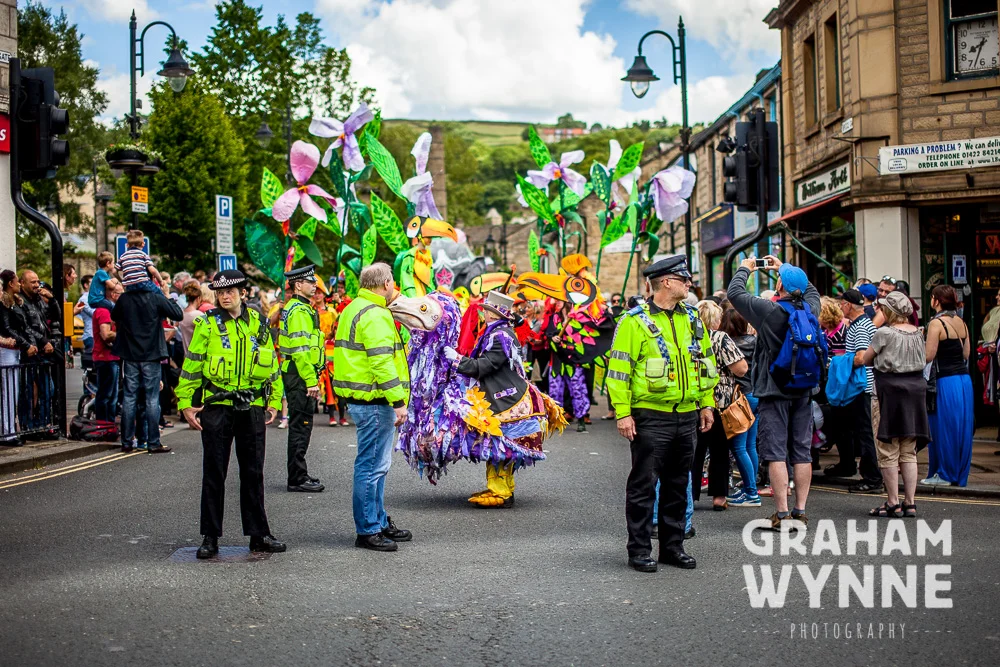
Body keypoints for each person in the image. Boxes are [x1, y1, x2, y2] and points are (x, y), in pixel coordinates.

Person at [606, 254, 718, 573]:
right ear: (666, 282)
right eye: (684, 279)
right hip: (650, 415)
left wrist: (706, 402)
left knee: (678, 484)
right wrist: (623, 413)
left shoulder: (692, 318)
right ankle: (639, 549)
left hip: (686, 414)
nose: (689, 283)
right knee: (644, 486)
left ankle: (672, 547)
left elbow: (705, 362)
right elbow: (619, 370)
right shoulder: (634, 321)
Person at [176, 270, 287, 559]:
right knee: (214, 473)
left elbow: (271, 366)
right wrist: (186, 402)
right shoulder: (207, 324)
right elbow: (192, 364)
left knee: (253, 473)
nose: (225, 296)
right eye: (220, 292)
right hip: (217, 406)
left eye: (231, 291)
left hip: (251, 407)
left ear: (243, 293)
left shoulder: (259, 323)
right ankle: (210, 537)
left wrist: (274, 400)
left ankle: (258, 535)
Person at [442, 291, 563, 507]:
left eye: (487, 311)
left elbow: (484, 367)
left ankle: (502, 492)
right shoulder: (497, 332)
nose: (485, 314)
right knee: (498, 445)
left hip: (507, 399)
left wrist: (456, 360)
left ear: (494, 315)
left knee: (502, 445)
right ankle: (500, 488)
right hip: (503, 395)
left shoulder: (499, 336)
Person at [727, 256, 821, 530]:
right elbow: (811, 290)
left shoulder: (769, 310)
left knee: (776, 453)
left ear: (778, 285)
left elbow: (735, 293)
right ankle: (800, 511)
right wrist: (785, 268)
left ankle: (781, 515)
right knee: (802, 452)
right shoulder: (811, 307)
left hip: (773, 389)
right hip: (804, 389)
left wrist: (747, 267)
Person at [333, 263, 412, 553]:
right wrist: (398, 402)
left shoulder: (355, 307)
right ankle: (368, 528)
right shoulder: (375, 314)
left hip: (363, 398)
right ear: (386, 283)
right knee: (371, 467)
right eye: (393, 282)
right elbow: (382, 362)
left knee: (376, 466)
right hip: (374, 400)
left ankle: (377, 521)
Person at [861, 291, 928, 517]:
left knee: (887, 449)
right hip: (915, 393)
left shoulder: (884, 333)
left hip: (887, 392)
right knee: (908, 451)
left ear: (890, 311)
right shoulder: (919, 333)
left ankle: (892, 501)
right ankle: (910, 502)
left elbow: (866, 359)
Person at [111, 269, 184, 454]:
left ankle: (127, 442)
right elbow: (177, 314)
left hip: (130, 354)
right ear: (149, 279)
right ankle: (153, 442)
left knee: (129, 397)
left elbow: (114, 317)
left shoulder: (124, 299)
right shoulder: (155, 297)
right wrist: (167, 295)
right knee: (152, 398)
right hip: (151, 354)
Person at [691, 300, 748, 511]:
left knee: (694, 452)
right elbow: (741, 368)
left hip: (692, 400)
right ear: (716, 319)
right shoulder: (720, 338)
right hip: (719, 402)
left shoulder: (688, 338)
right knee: (719, 451)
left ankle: (690, 493)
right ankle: (719, 497)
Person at [279, 265, 325, 493]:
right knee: (301, 426)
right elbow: (300, 350)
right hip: (299, 374)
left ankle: (299, 473)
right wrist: (311, 380)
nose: (315, 285)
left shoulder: (300, 308)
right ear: (298, 285)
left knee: (302, 424)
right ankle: (296, 478)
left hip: (298, 372)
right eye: (310, 281)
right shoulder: (298, 311)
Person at [924, 285, 973, 486]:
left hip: (946, 382)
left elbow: (928, 356)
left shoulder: (936, 324)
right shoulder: (961, 321)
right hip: (963, 382)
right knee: (961, 428)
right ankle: (955, 473)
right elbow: (966, 354)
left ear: (936, 300)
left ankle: (944, 474)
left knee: (943, 428)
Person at [836, 289, 882, 491]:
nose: (839, 307)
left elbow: (861, 357)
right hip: (863, 386)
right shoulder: (861, 323)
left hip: (863, 387)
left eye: (841, 304)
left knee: (865, 433)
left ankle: (872, 478)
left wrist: (838, 361)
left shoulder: (860, 327)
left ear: (847, 305)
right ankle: (870, 475)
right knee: (863, 432)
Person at [721, 307, 761, 506]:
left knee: (739, 447)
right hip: (757, 394)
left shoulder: (727, 345)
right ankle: (749, 488)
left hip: (740, 398)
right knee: (750, 446)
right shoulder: (755, 342)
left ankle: (751, 492)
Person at [0, 271, 29, 443]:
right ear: (11, 283)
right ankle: (8, 432)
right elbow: (6, 328)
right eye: (17, 281)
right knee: (9, 391)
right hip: (7, 350)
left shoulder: (15, 303)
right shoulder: (4, 304)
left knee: (10, 391)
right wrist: (24, 343)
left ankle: (8, 430)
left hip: (13, 349)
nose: (19, 284)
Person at [92, 280, 123, 424]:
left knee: (112, 396)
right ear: (113, 294)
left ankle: (109, 425)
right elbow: (106, 335)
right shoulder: (104, 311)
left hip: (112, 357)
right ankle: (103, 425)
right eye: (121, 293)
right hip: (105, 358)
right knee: (106, 395)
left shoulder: (111, 310)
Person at [74, 275, 95, 357]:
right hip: (90, 336)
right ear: (86, 285)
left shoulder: (94, 298)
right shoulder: (83, 300)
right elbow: (94, 313)